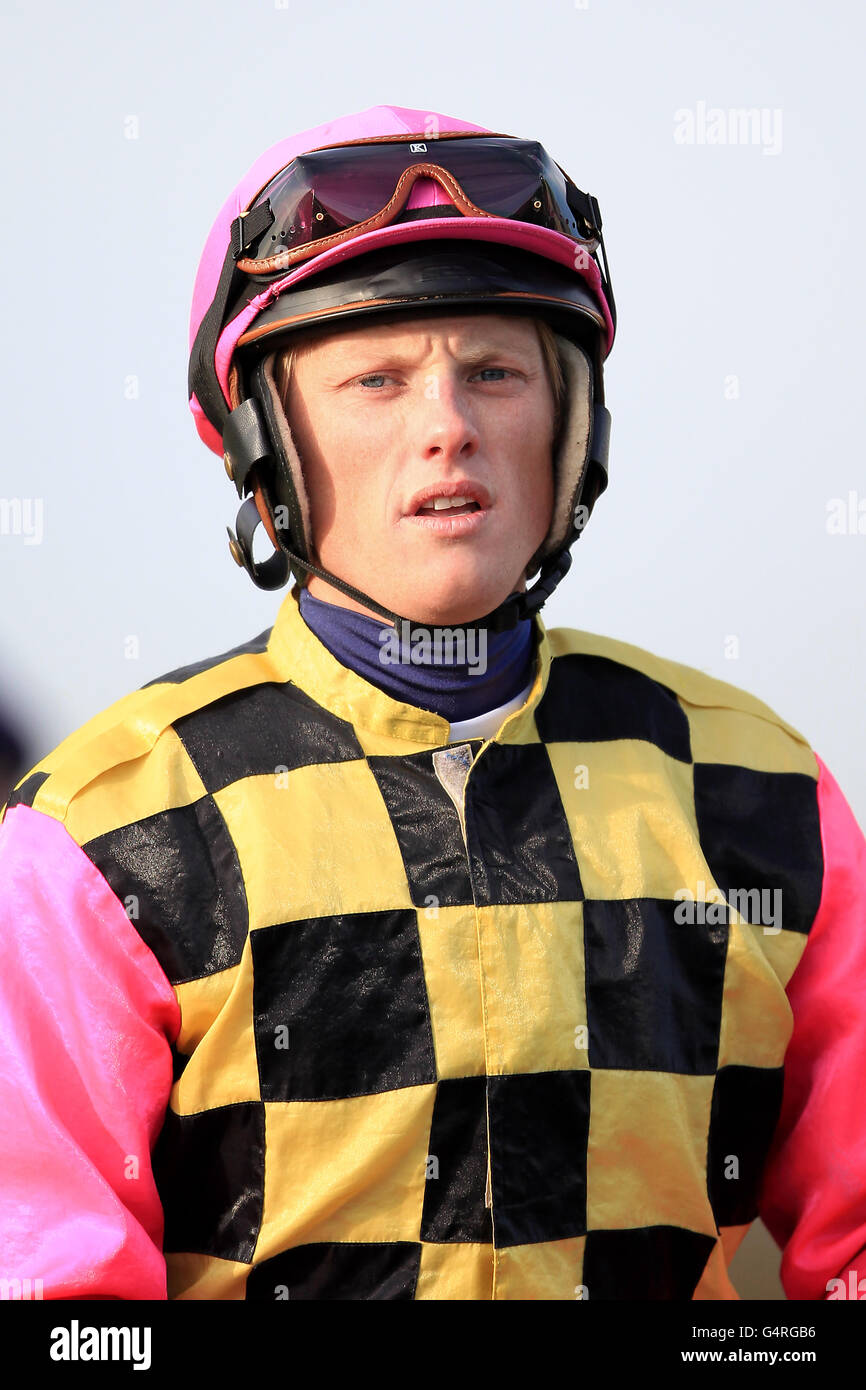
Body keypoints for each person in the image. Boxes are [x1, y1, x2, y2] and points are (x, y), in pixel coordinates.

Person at [1, 103, 864, 1303]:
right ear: (261, 445)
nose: (446, 429)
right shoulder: (96, 834)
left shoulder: (762, 790)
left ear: (573, 431)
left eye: (495, 372)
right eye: (376, 378)